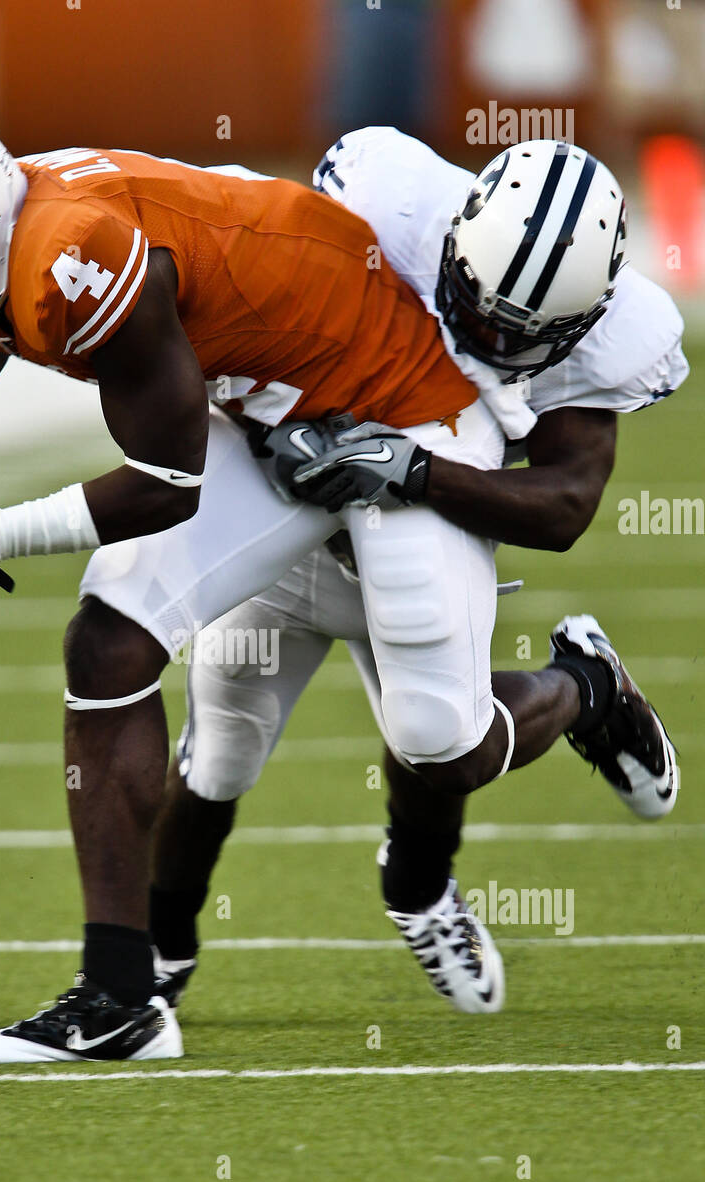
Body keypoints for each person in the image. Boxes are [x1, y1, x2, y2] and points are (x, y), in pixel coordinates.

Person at [145, 128, 686, 1017]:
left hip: (425, 526)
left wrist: (414, 472)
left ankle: (576, 700)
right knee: (220, 746)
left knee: (440, 742)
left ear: (585, 319)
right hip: (289, 527)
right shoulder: (385, 203)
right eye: (473, 302)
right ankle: (154, 964)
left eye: (517, 331)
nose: (482, 333)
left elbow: (564, 507)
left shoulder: (616, 339)